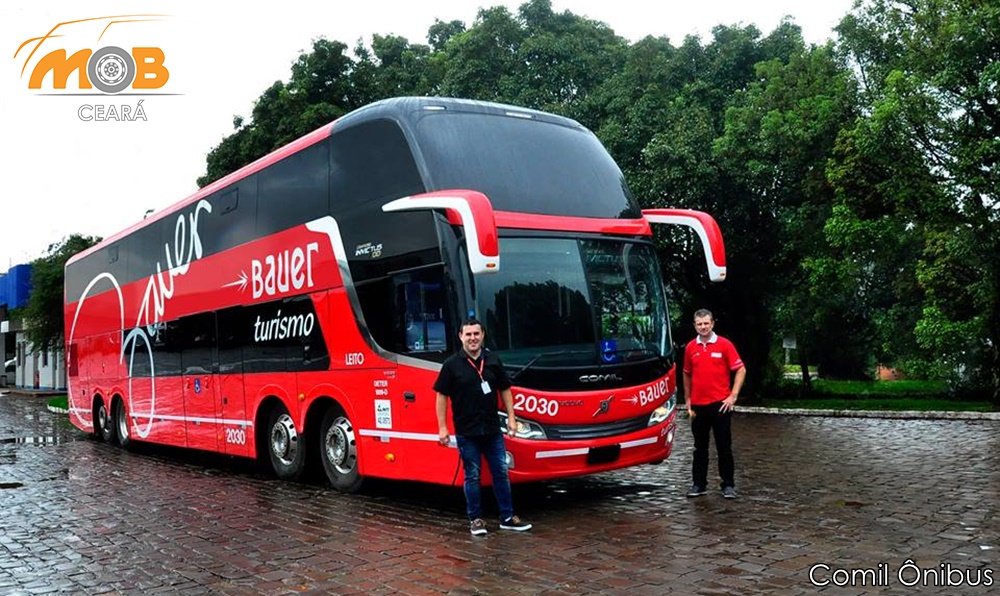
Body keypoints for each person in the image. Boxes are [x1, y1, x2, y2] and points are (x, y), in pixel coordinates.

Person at [434, 319, 533, 535]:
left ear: (483, 335)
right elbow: (441, 396)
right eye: (468, 334)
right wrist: (442, 428)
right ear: (460, 336)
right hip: (467, 431)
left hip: (492, 429)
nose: (472, 338)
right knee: (472, 475)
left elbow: (505, 389)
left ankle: (507, 517)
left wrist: (512, 418)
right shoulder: (451, 365)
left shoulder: (492, 360)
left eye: (476, 334)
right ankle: (476, 520)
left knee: (501, 472)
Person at [683, 308, 746, 499]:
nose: (703, 327)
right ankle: (698, 484)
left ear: (712, 324)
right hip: (698, 406)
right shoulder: (690, 348)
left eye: (706, 323)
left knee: (723, 446)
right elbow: (686, 373)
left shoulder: (724, 345)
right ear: (695, 325)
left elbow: (741, 369)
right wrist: (687, 399)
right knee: (699, 447)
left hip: (720, 404)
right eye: (699, 324)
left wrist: (733, 395)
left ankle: (728, 485)